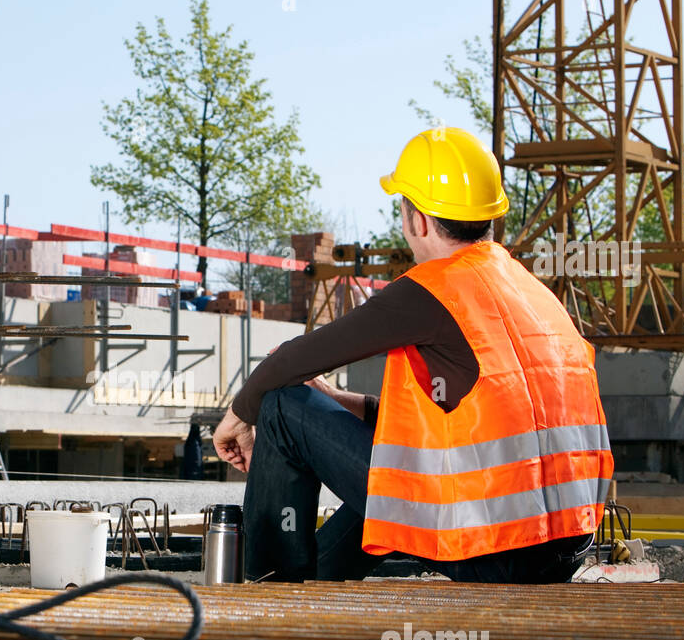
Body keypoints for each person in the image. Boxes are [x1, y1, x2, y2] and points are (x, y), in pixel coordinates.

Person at [212, 127, 613, 584]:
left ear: (416, 221)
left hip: (492, 549)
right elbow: (478, 428)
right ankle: (320, 581)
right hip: (562, 549)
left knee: (282, 406)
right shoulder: (529, 291)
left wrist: (239, 416)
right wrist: (341, 402)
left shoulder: (433, 289)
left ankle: (270, 594)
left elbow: (289, 360)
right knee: (393, 478)